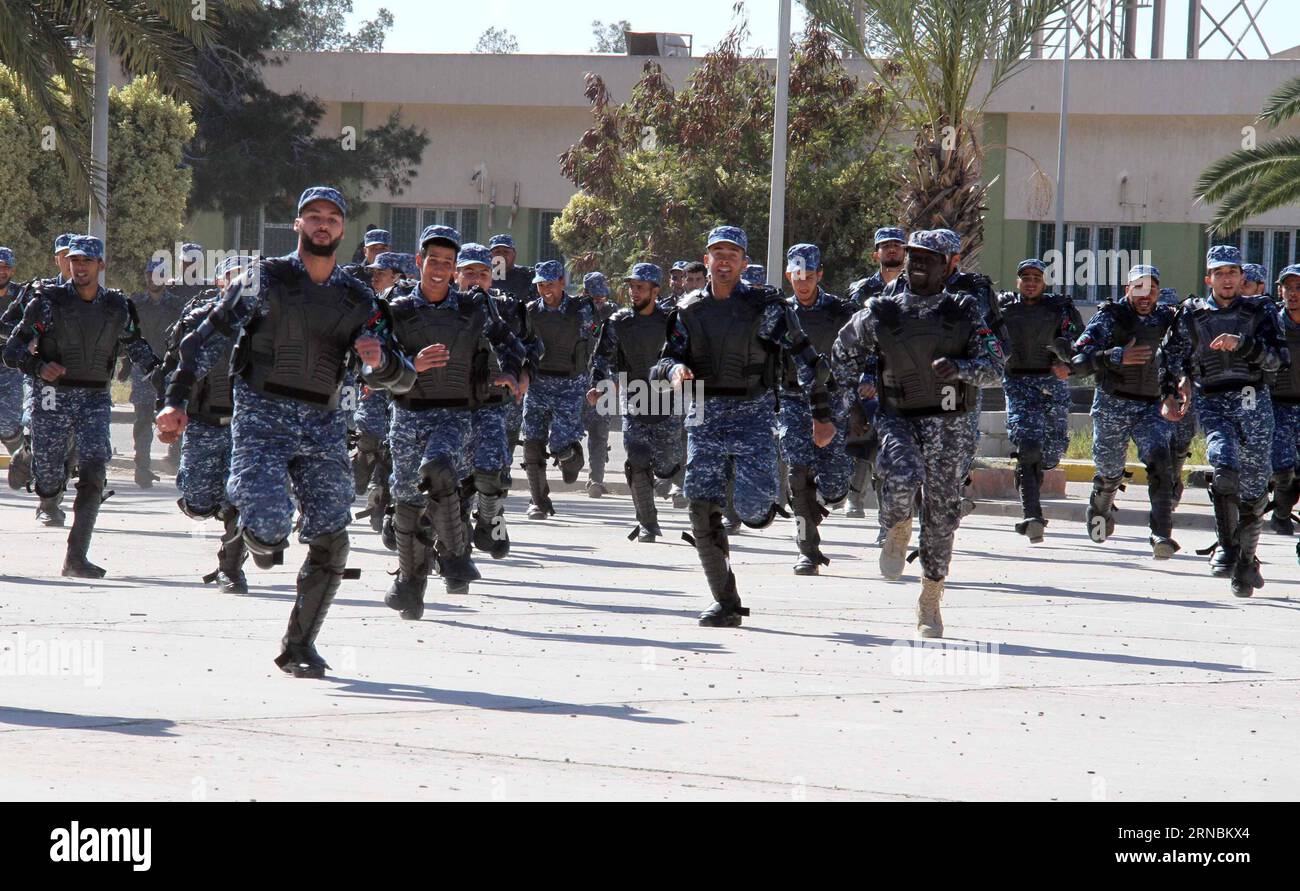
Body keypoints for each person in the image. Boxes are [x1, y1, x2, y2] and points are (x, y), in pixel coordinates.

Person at [156, 186, 414, 678]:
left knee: (333, 539)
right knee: (271, 528)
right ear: (297, 224)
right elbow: (202, 339)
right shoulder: (264, 279)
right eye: (313, 216)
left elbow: (403, 376)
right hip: (261, 418)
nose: (322, 224)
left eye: (332, 218)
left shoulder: (360, 299)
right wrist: (174, 401)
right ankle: (252, 521)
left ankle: (299, 646)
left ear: (343, 229)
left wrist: (379, 362)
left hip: (323, 426)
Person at [653, 226, 835, 627]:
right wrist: (676, 368)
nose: (723, 260)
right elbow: (663, 361)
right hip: (703, 414)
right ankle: (725, 601)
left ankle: (756, 499)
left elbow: (807, 360)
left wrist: (822, 415)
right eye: (717, 253)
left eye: (732, 254)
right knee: (700, 506)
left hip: (752, 413)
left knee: (754, 513)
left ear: (744, 263)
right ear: (706, 261)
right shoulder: (688, 309)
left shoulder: (765, 307)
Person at [833, 230, 1003, 638]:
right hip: (899, 416)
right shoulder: (882, 311)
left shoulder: (964, 311)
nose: (919, 263)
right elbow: (842, 354)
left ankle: (930, 598)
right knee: (900, 478)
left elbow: (995, 368)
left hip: (951, 425)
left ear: (950, 264)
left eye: (930, 257)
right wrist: (850, 405)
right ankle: (896, 526)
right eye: (914, 256)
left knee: (942, 515)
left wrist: (960, 368)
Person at [382, 226, 524, 615]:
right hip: (408, 416)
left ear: (454, 267)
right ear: (419, 262)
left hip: (455, 413)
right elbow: (371, 366)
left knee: (441, 470)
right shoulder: (395, 309)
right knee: (409, 504)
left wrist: (513, 371)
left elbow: (511, 343)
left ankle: (458, 554)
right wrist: (411, 365)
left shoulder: (473, 308)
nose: (440, 268)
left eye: (448, 262)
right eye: (434, 260)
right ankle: (409, 584)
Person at [3, 236, 160, 577]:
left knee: (94, 470)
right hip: (51, 395)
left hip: (95, 398)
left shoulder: (118, 307)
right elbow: (13, 351)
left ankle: (76, 558)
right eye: (75, 261)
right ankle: (30, 455)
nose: (80, 267)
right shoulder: (46, 302)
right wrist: (38, 367)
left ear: (101, 265)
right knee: (49, 482)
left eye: (87, 261)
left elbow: (137, 348)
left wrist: (168, 386)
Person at [1167, 245, 1286, 596]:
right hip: (1214, 401)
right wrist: (1172, 391)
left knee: (1252, 493)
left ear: (1242, 277)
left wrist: (1243, 344)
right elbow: (1171, 355)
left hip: (1254, 405)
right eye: (1220, 273)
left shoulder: (1260, 311)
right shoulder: (1191, 313)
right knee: (1223, 469)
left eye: (1233, 272)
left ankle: (1247, 561)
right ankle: (1227, 547)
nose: (1228, 279)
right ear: (1209, 279)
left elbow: (1279, 359)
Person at [1070, 264, 1186, 559]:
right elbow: (1079, 359)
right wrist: (1116, 355)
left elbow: (1181, 358)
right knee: (1109, 471)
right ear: (1128, 290)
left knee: (1161, 461)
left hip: (1150, 405)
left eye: (1152, 288)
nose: (1146, 295)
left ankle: (1161, 534)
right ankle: (1101, 505)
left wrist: (1177, 389)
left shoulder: (1168, 319)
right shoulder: (1111, 317)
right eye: (1139, 288)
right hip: (1113, 403)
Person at [157, 255, 251, 592]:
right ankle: (205, 504)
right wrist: (167, 414)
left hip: (249, 428)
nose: (240, 283)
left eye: (247, 277)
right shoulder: (198, 321)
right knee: (198, 501)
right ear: (219, 282)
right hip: (204, 423)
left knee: (240, 500)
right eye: (233, 277)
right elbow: (171, 371)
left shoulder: (267, 322)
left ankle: (231, 568)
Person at [455, 242, 538, 560]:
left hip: (492, 403)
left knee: (492, 473)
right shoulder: (443, 305)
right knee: (457, 482)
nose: (476, 278)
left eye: (483, 272)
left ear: (492, 276)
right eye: (469, 271)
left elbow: (532, 348)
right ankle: (456, 547)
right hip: (452, 404)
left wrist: (525, 375)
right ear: (456, 273)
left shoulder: (510, 307)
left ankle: (491, 522)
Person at [779, 244, 856, 574]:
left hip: (834, 399)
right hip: (793, 400)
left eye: (810, 276)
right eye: (798, 276)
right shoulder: (779, 313)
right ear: (788, 276)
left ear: (819, 275)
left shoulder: (842, 311)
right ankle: (806, 548)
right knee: (799, 473)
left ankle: (812, 512)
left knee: (836, 486)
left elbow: (863, 350)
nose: (803, 283)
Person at [590, 263, 681, 541]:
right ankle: (647, 523)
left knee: (667, 466)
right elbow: (602, 358)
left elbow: (688, 353)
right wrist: (598, 386)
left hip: (668, 400)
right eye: (631, 286)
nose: (634, 292)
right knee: (638, 458)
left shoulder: (673, 321)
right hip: (634, 397)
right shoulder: (618, 322)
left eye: (640, 287)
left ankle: (666, 480)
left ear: (655, 290)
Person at [997, 258, 1083, 542]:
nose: (1031, 282)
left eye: (1036, 277)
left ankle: (1034, 477)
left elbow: (1080, 341)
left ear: (1044, 282)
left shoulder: (1060, 308)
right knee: (1028, 446)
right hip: (1018, 382)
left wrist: (1067, 363)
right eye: (1025, 277)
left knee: (1050, 453)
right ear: (1017, 281)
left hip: (1051, 383)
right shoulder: (1002, 307)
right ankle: (1032, 514)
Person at [520, 260, 597, 519]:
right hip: (539, 384)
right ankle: (538, 501)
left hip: (570, 385)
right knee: (532, 444)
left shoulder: (581, 310)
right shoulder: (530, 312)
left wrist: (598, 378)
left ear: (562, 282)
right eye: (541, 285)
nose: (545, 290)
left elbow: (596, 342)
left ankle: (571, 456)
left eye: (550, 284)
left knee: (561, 444)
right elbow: (522, 346)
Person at [844, 227, 906, 519]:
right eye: (886, 246)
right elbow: (855, 339)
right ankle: (855, 497)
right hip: (868, 379)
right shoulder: (862, 291)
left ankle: (889, 510)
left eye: (897, 245)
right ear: (875, 254)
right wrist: (864, 378)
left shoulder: (915, 289)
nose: (892, 250)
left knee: (894, 441)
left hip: (903, 377)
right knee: (866, 434)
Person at [126, 258, 187, 487]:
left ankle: (179, 465)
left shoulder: (177, 305)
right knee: (143, 419)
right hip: (143, 368)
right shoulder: (136, 302)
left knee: (175, 415)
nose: (154, 279)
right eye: (151, 274)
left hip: (171, 368)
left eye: (159, 275)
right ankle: (142, 467)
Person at [1268, 265, 1300, 536]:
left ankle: (1283, 512)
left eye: (1299, 288)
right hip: (1277, 405)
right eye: (1288, 288)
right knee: (1283, 467)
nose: (1293, 293)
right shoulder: (1271, 323)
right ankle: (1280, 513)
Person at [581, 271, 618, 496]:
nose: (599, 301)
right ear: (585, 293)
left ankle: (596, 478)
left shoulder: (613, 313)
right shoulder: (576, 311)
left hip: (603, 378)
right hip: (576, 378)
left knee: (599, 429)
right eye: (595, 297)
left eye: (602, 297)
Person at [0, 247, 25, 473]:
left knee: (8, 423)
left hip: (11, 369)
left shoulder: (22, 297)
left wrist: (4, 330)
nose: (2, 272)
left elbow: (25, 331)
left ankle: (25, 461)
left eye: (6, 267)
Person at [488, 234, 535, 302]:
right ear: (490, 255)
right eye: (497, 252)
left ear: (514, 254)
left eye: (506, 252)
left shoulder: (528, 276)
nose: (501, 256)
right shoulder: (483, 277)